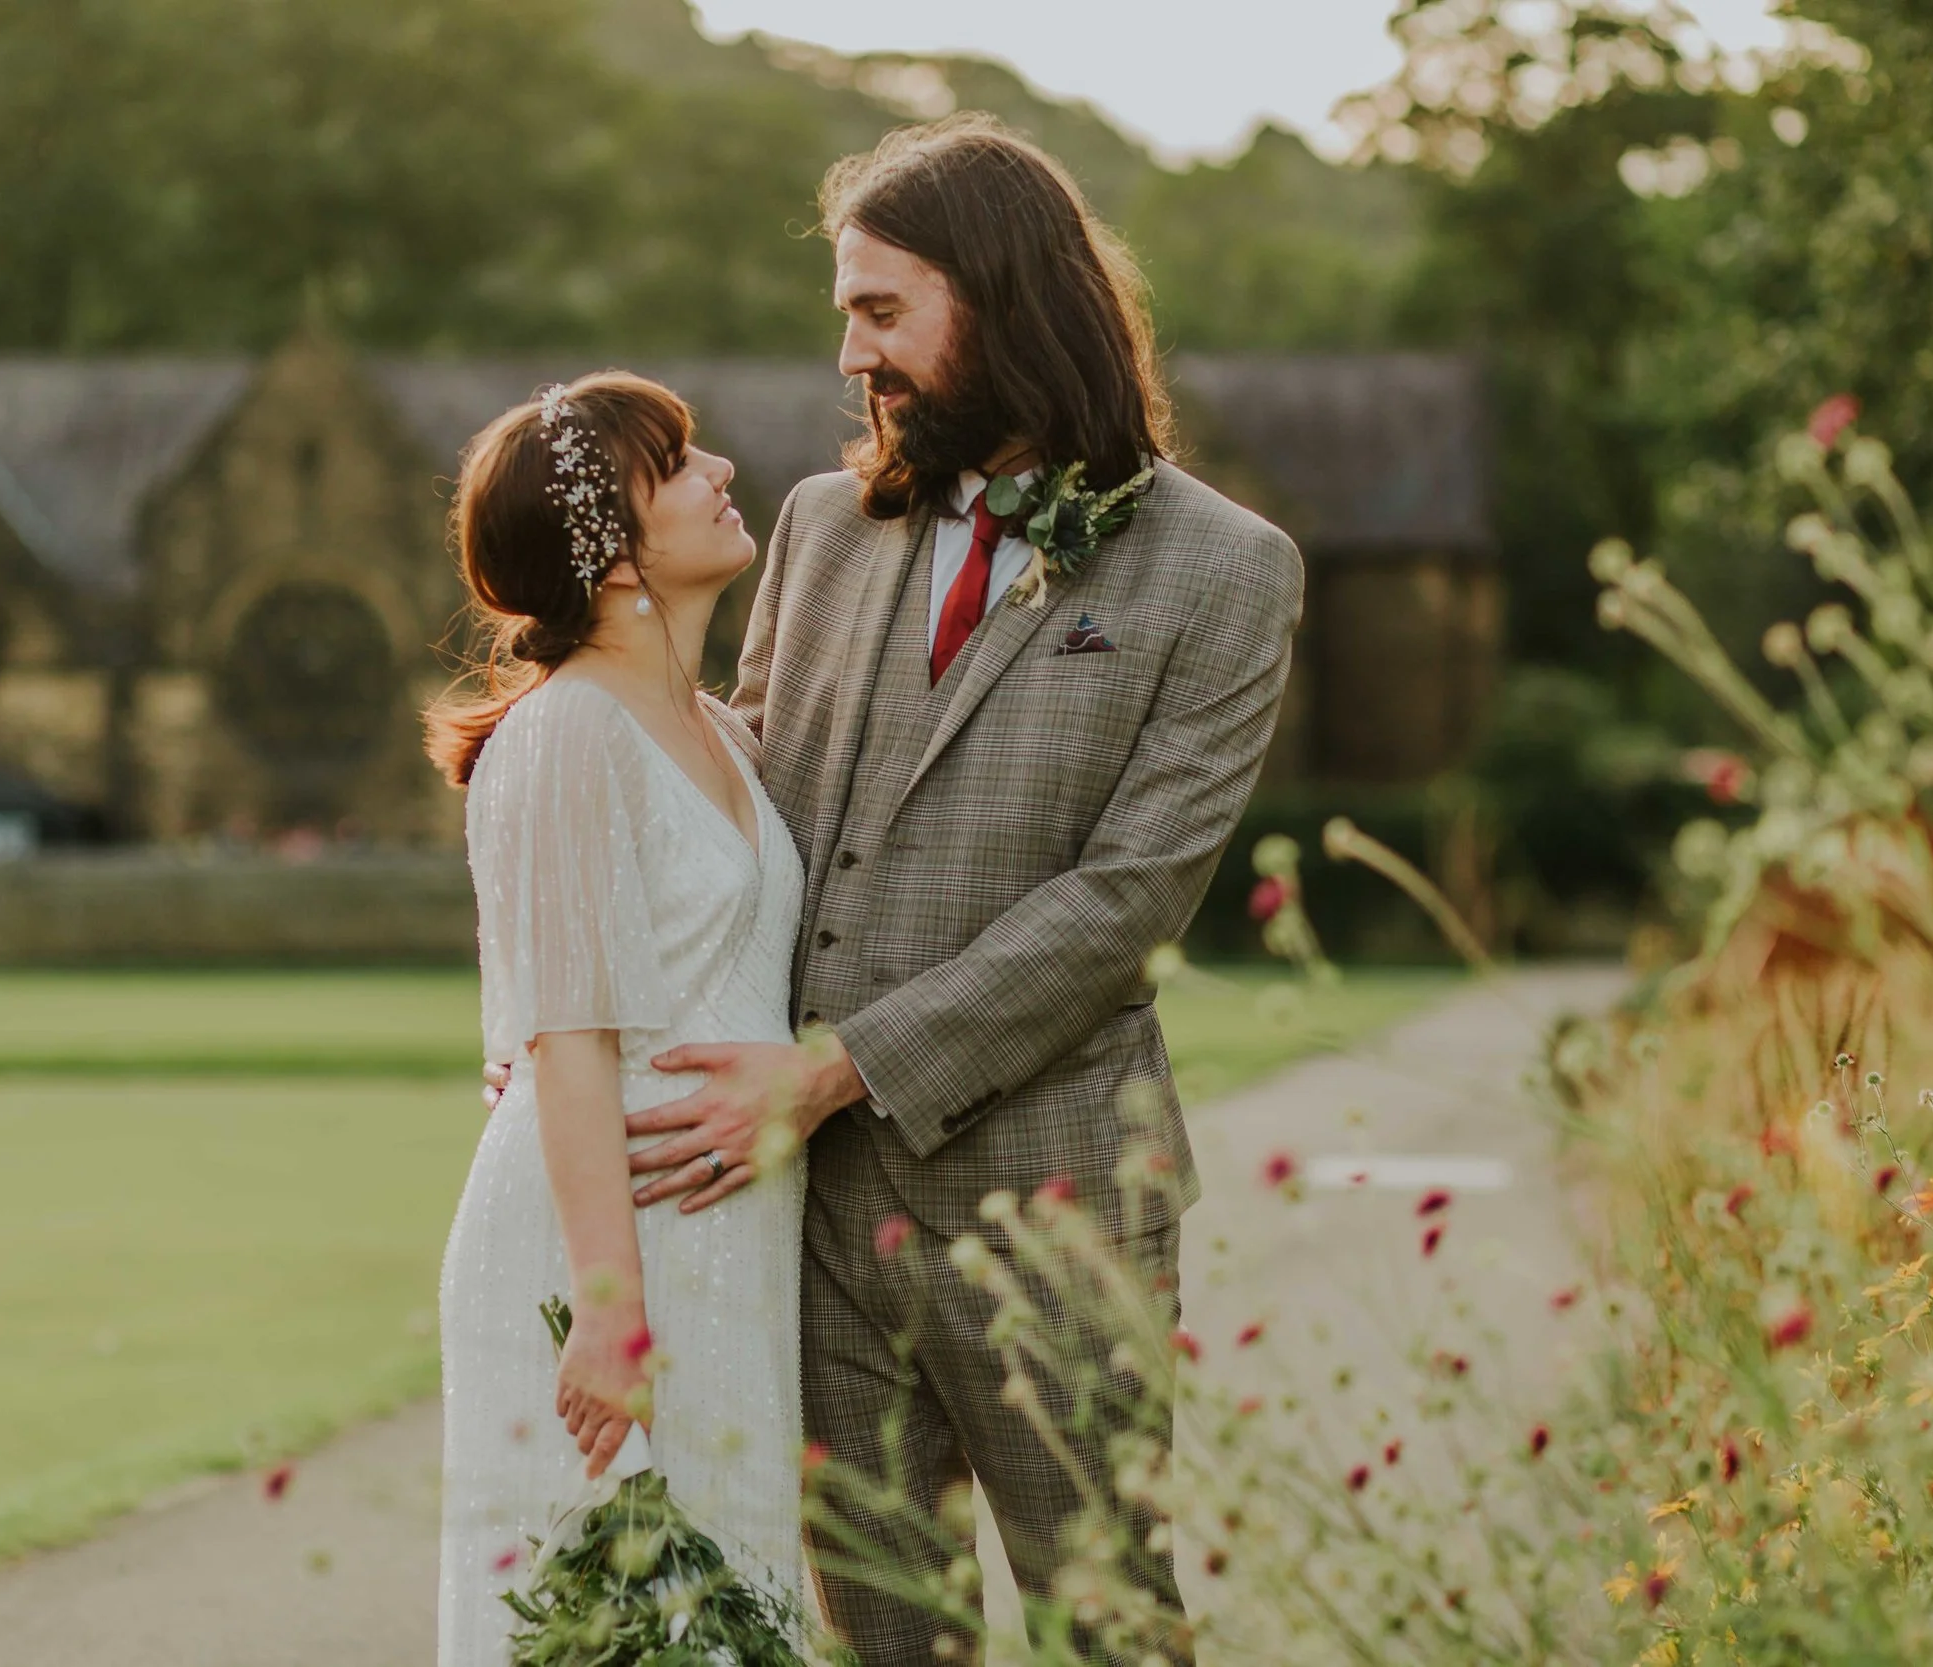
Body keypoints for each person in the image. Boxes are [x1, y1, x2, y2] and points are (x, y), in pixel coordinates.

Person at [606, 115, 1307, 1664]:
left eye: (882, 310)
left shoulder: (1226, 568)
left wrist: (839, 1066)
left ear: (1003, 299)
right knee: (881, 1635)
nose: (849, 353)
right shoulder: (816, 528)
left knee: (1109, 1625)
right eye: (844, 311)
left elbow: (1128, 898)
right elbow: (759, 818)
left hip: (1056, 1204)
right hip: (818, 1214)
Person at [424, 372, 807, 1664]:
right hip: (605, 1245)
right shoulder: (566, 735)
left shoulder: (724, 735)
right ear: (615, 553)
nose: (723, 474)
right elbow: (569, 1040)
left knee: (730, 1598)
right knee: (603, 1617)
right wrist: (606, 1312)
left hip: (725, 1231)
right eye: (681, 465)